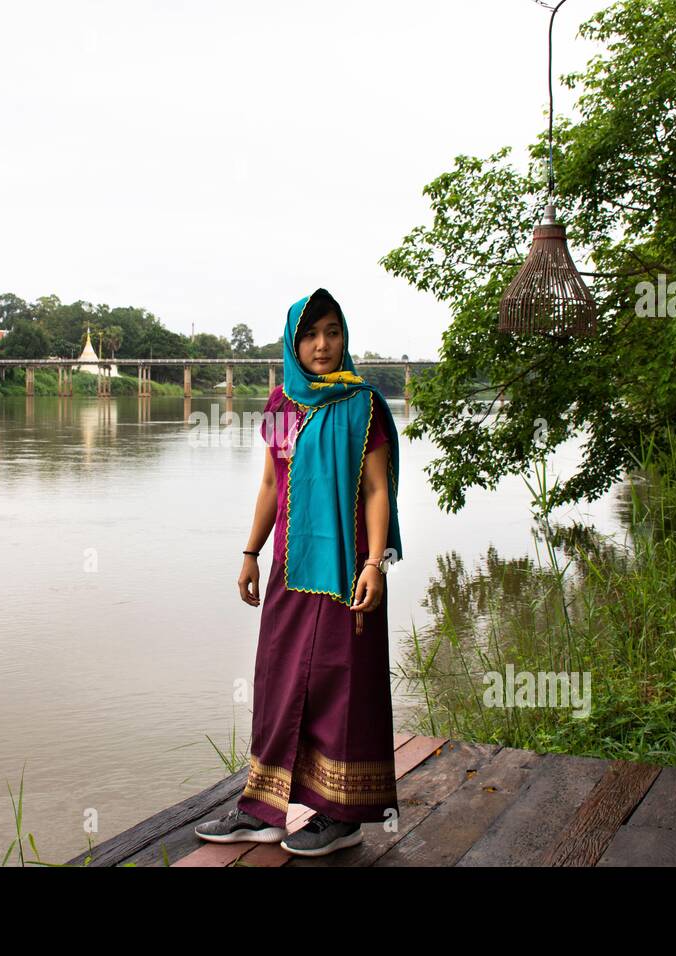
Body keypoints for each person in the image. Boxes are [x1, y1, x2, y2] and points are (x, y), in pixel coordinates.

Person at [194, 287, 404, 857]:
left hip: (347, 567)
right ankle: (262, 811)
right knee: (279, 675)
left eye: (332, 332)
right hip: (290, 563)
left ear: (344, 337)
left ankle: (342, 817)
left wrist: (374, 564)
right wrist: (249, 552)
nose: (322, 345)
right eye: (310, 335)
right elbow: (270, 486)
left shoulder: (363, 406)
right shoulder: (283, 405)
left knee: (344, 680)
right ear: (293, 342)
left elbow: (379, 489)